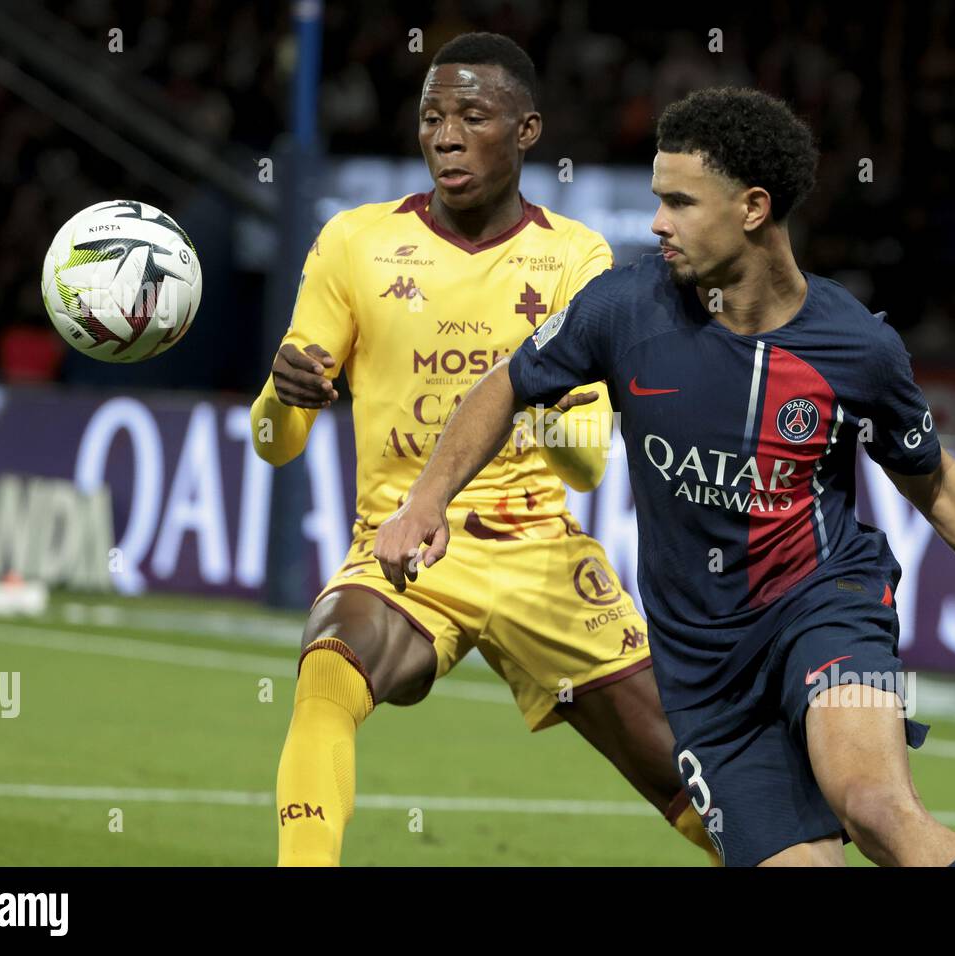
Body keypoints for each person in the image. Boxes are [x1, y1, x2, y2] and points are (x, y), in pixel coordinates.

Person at [373, 86, 955, 867]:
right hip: (702, 669)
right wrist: (426, 501)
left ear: (753, 208)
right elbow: (509, 382)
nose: (657, 223)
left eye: (681, 202)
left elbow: (931, 478)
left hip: (822, 605)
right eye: (659, 198)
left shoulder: (856, 347)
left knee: (875, 806)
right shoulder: (621, 310)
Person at [252, 32, 718, 866]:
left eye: (473, 115)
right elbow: (276, 444)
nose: (446, 135)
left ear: (526, 131)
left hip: (538, 553)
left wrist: (527, 406)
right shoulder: (353, 242)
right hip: (404, 551)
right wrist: (278, 399)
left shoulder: (575, 256)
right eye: (432, 116)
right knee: (328, 662)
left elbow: (585, 463)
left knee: (700, 786)